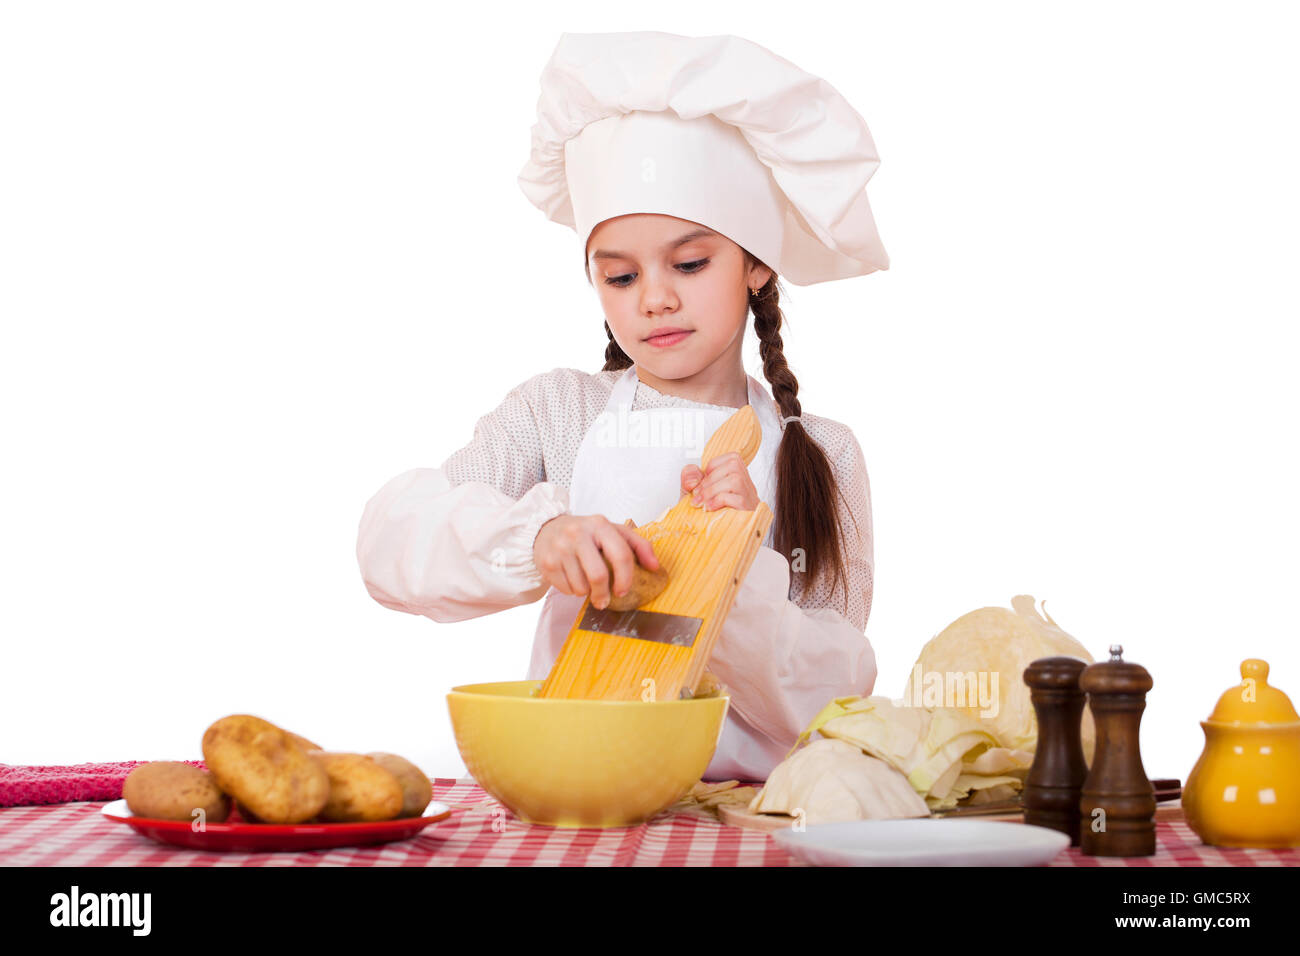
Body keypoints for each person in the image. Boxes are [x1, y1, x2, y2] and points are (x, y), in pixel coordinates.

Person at [356, 31, 889, 781]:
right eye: (620, 276)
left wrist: (730, 570)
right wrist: (537, 537)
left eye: (691, 262)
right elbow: (390, 542)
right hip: (582, 787)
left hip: (748, 817)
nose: (656, 299)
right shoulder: (558, 414)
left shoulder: (823, 453)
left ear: (759, 263)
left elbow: (840, 696)